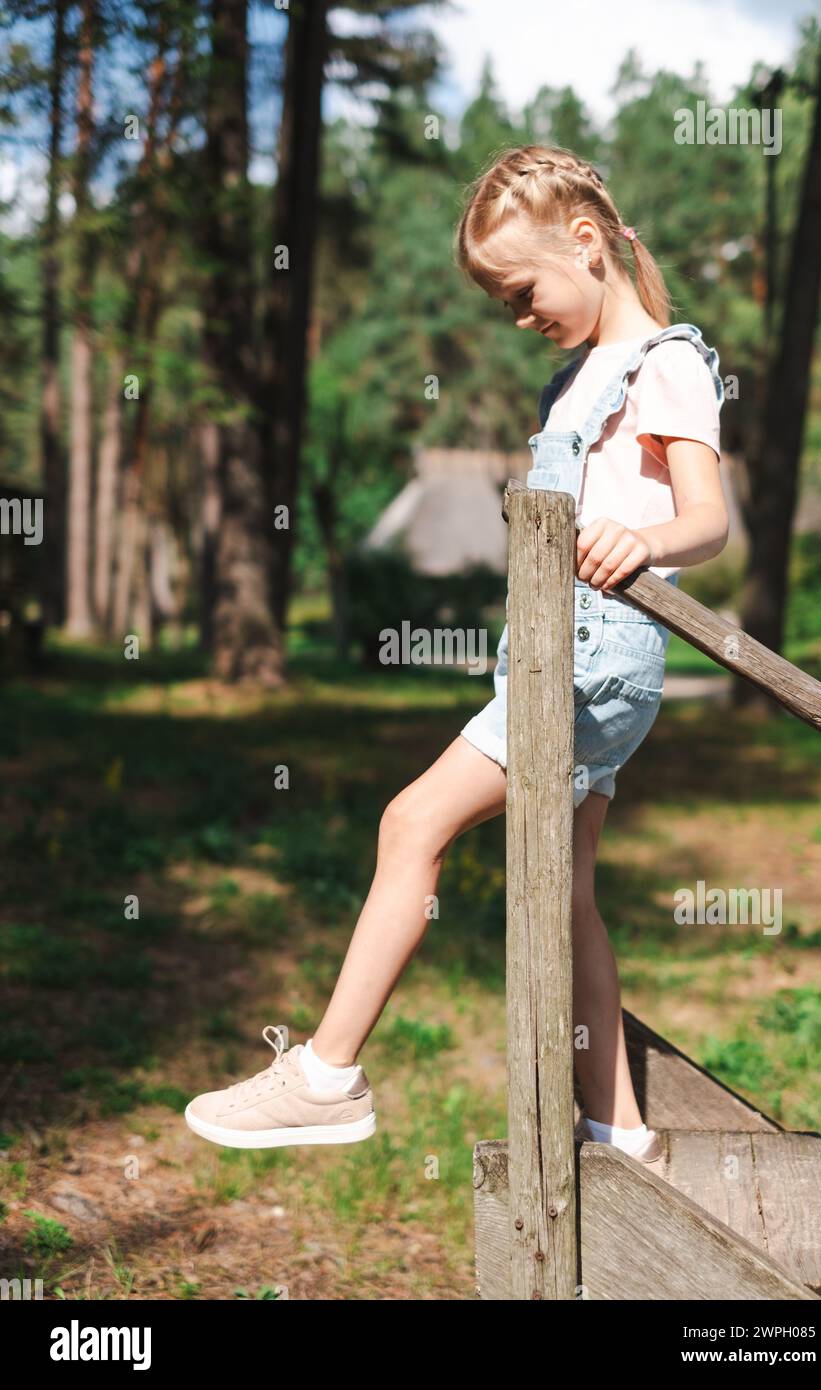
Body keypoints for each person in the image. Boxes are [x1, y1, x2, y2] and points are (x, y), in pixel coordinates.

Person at [185, 145, 728, 1166]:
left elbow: (706, 519)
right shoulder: (573, 381)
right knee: (564, 896)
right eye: (501, 304)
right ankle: (621, 1130)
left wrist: (646, 540)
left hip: (593, 662)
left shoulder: (664, 362)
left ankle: (327, 1077)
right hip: (557, 659)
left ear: (584, 242)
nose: (518, 317)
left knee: (409, 821)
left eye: (522, 291)